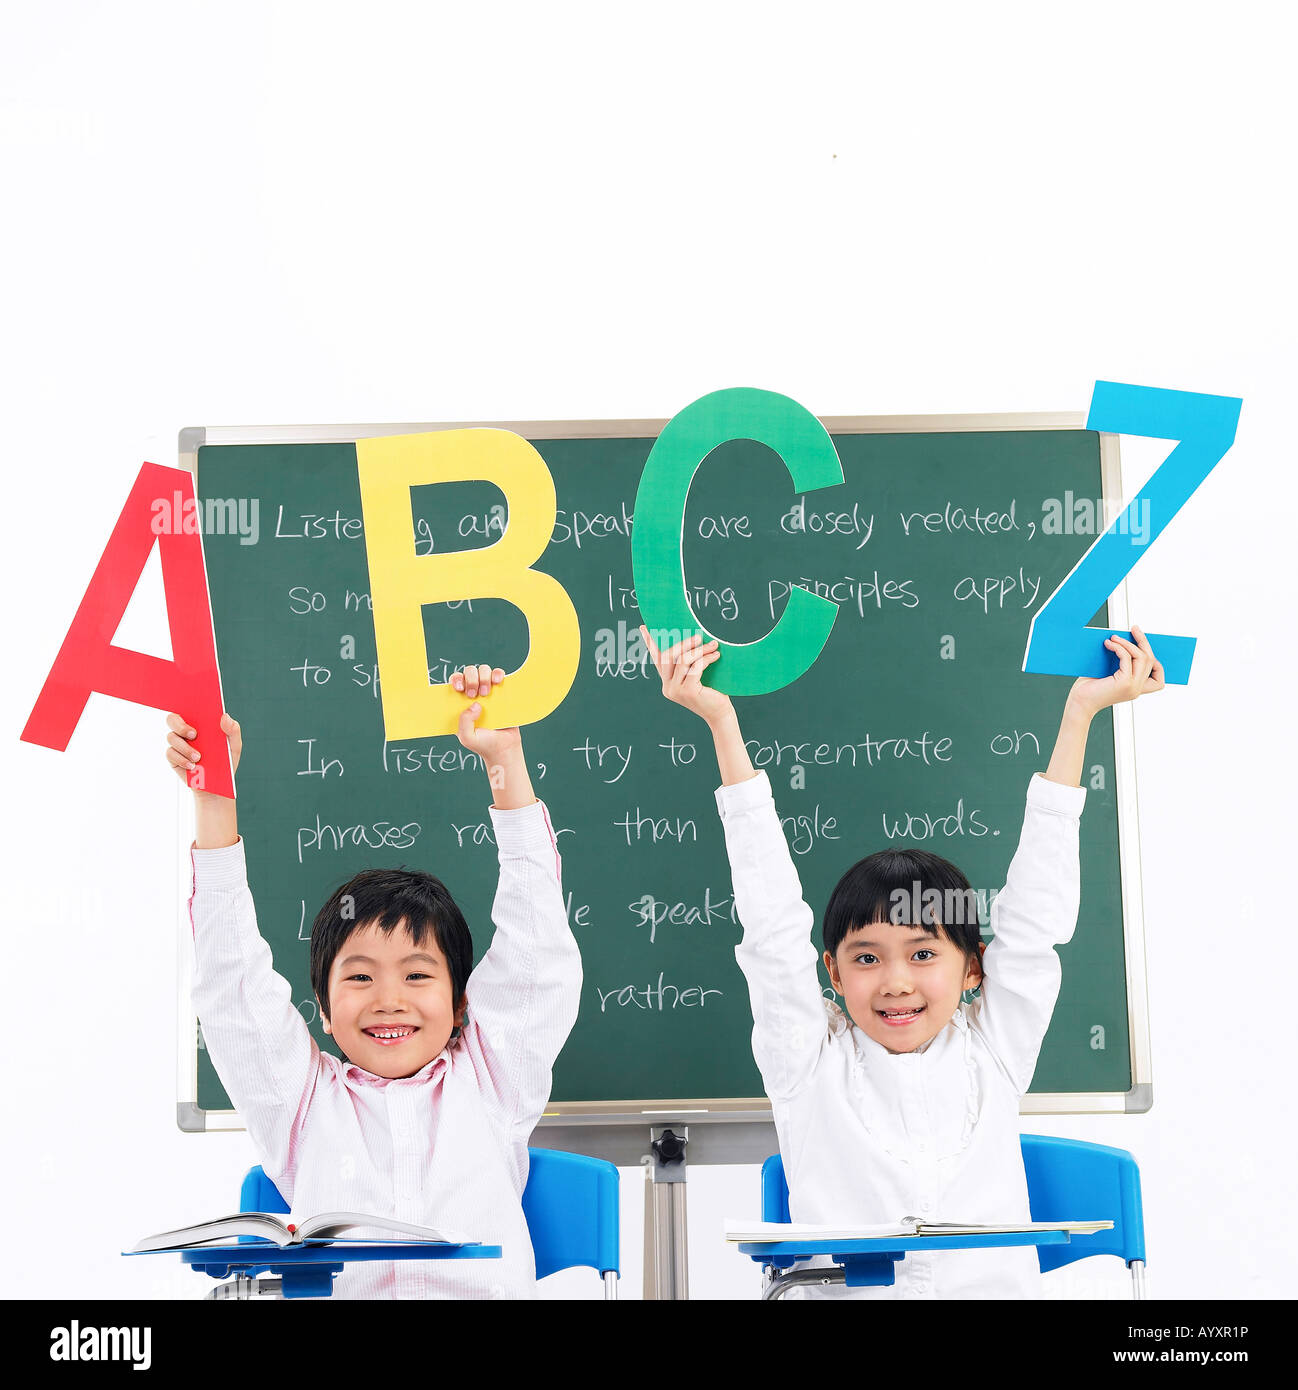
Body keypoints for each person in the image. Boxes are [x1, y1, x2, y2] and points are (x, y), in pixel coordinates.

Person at [640, 622, 1165, 1298]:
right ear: (831, 974)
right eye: (865, 958)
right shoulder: (806, 1065)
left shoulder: (995, 1052)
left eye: (923, 953)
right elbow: (772, 927)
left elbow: (1034, 920)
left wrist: (1080, 712)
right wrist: (721, 724)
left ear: (973, 969)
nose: (895, 983)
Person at [167, 663, 580, 1298]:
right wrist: (213, 796)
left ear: (461, 1003)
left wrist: (505, 760)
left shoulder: (492, 1082)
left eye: (418, 974)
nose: (389, 1000)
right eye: (359, 977)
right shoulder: (300, 1104)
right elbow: (231, 978)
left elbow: (538, 948)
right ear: (324, 1011)